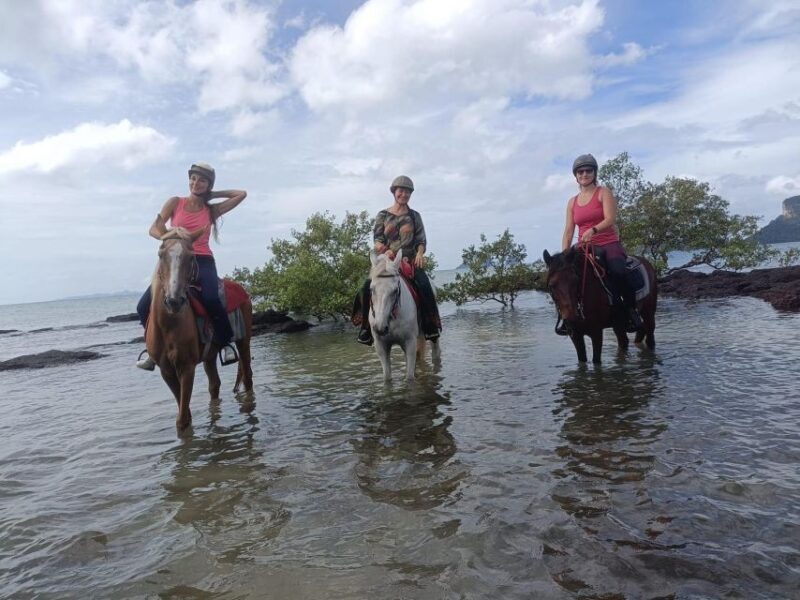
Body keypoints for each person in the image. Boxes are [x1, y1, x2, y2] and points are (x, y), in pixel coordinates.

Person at [136, 163, 247, 370]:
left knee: (212, 298)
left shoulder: (211, 210)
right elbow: (154, 229)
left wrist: (213, 195)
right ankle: (152, 350)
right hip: (173, 260)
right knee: (142, 306)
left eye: (202, 180)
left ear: (208, 185)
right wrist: (169, 236)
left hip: (202, 260)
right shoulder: (175, 202)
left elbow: (241, 194)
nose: (196, 183)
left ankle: (225, 343)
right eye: (193, 179)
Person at [559, 153, 642, 335]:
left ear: (594, 173)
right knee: (564, 280)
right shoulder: (572, 202)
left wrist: (594, 230)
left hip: (607, 242)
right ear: (576, 176)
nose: (584, 174)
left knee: (619, 271)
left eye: (588, 171)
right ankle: (566, 318)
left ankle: (630, 311)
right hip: (583, 247)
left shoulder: (603, 193)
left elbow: (610, 219)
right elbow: (568, 231)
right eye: (580, 172)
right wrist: (564, 256)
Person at [355, 175, 441, 345]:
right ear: (394, 192)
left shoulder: (415, 216)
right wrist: (386, 251)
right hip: (386, 262)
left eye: (407, 192)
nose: (404, 194)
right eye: (401, 191)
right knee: (364, 287)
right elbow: (377, 240)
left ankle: (431, 326)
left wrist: (420, 253)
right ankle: (366, 328)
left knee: (425, 286)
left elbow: (421, 240)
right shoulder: (383, 215)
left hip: (409, 260)